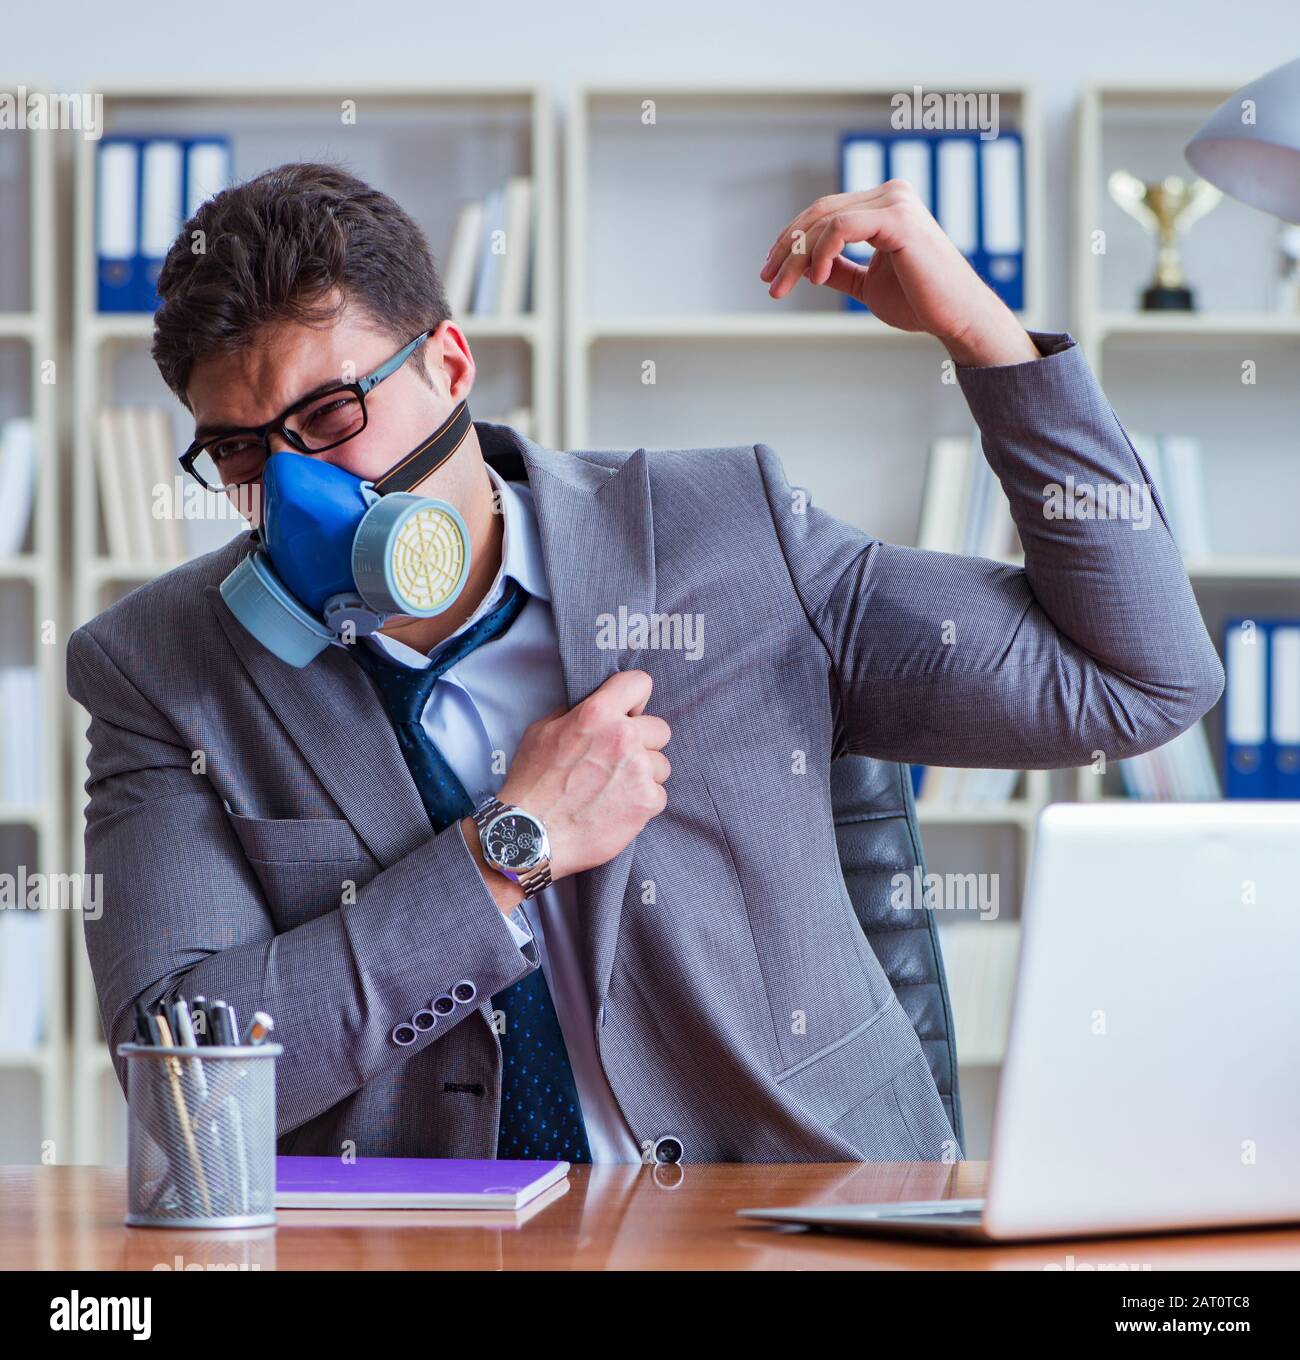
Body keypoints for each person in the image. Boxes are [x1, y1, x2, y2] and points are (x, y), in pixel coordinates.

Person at [67, 162, 1223, 1165]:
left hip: (789, 1216)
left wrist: (990, 343)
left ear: (452, 364)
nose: (298, 488)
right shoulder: (165, 665)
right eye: (240, 450)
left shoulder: (726, 531)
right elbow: (183, 1072)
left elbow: (1141, 680)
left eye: (330, 414)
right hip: (441, 1244)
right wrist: (499, 855)